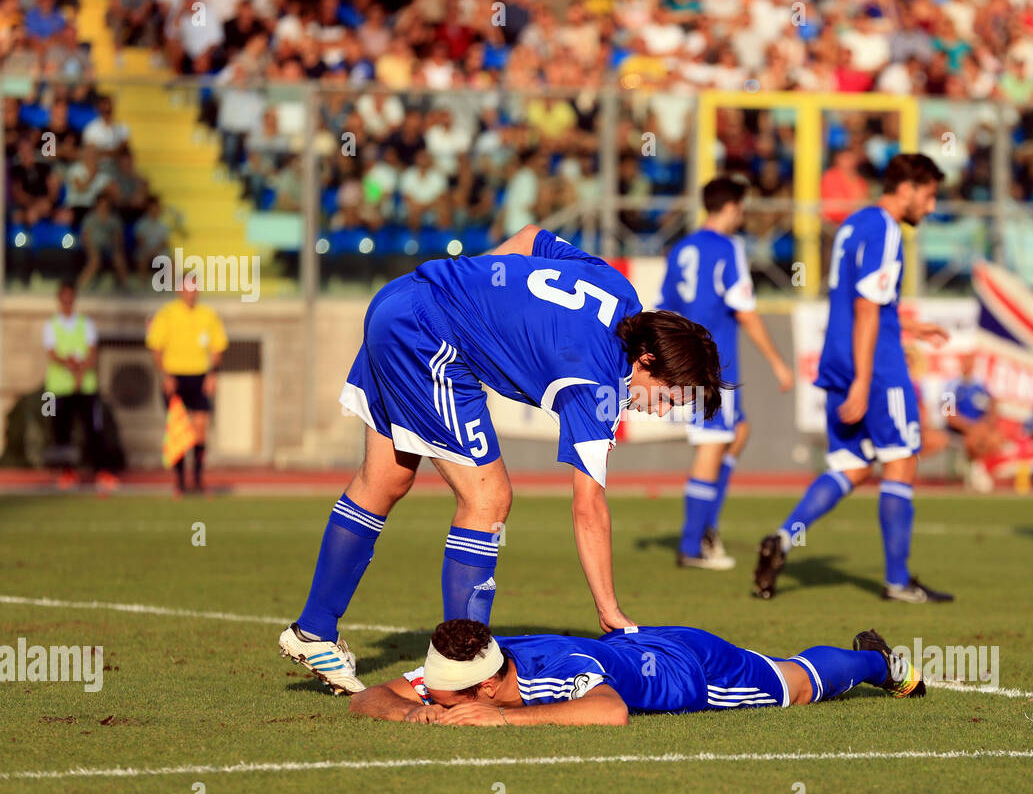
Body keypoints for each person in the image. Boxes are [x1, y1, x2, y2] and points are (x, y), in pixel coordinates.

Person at [279, 226, 725, 695]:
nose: (667, 409)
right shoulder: (597, 381)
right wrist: (608, 609)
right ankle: (464, 671)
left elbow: (531, 236)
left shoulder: (620, 290)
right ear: (648, 361)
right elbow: (588, 507)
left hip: (400, 299)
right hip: (429, 337)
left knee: (384, 480)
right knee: (488, 499)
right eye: (670, 396)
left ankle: (314, 631)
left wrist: (474, 282)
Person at [754, 154, 954, 603]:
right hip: (876, 367)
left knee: (852, 465)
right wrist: (867, 379)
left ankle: (784, 539)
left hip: (838, 358)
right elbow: (866, 309)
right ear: (905, 189)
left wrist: (905, 327)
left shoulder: (853, 223)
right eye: (929, 195)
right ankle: (898, 582)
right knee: (900, 460)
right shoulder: (886, 228)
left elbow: (863, 304)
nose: (932, 206)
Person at [349, 618, 924, 726]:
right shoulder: (470, 665)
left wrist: (506, 725)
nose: (437, 697)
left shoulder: (556, 675)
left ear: (490, 685)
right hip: (636, 646)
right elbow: (368, 696)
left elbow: (611, 712)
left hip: (693, 671)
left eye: (450, 698)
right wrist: (417, 712)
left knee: (794, 687)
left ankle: (877, 661)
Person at [658, 176, 793, 569]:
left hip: (689, 360)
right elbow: (744, 310)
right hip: (713, 364)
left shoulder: (682, 248)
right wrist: (777, 361)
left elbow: (664, 307)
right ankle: (692, 545)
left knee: (739, 431)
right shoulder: (728, 248)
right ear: (732, 207)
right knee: (712, 444)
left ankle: (706, 528)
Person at [145, 282, 228, 496]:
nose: (190, 293)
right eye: (186, 288)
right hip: (176, 377)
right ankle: (180, 482)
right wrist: (166, 376)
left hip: (200, 377)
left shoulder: (208, 315)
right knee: (178, 431)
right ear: (179, 291)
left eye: (193, 288)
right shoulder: (167, 314)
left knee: (200, 430)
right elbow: (156, 347)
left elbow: (217, 347)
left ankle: (199, 479)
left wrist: (212, 374)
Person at [43, 281, 117, 491]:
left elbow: (92, 352)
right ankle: (66, 473)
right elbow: (52, 353)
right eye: (63, 297)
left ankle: (102, 472)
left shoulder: (86, 323)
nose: (67, 301)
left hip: (85, 387)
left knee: (94, 429)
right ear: (59, 299)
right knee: (61, 430)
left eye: (70, 297)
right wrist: (71, 367)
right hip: (59, 388)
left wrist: (81, 372)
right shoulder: (51, 324)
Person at [941, 352, 1000, 492]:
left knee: (995, 439)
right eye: (966, 362)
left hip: (980, 428)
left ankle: (978, 469)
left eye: (971, 362)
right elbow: (948, 413)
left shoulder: (981, 386)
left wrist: (985, 424)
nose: (968, 366)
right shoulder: (951, 385)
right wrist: (969, 426)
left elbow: (993, 406)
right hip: (960, 429)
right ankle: (976, 471)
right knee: (974, 438)